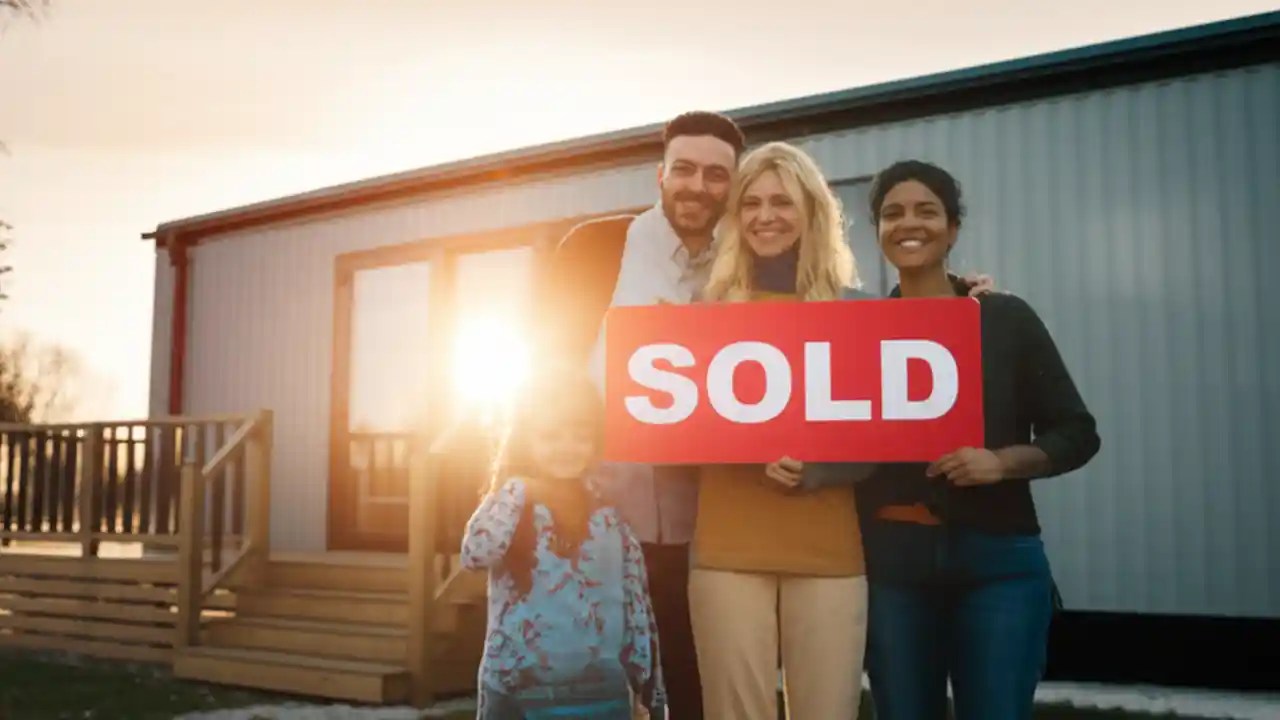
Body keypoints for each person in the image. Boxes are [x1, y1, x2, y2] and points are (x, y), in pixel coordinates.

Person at [852, 160, 1101, 720]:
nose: (908, 223)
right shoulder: (859, 330)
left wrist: (1002, 462)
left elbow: (1076, 432)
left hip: (998, 562)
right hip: (892, 566)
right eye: (892, 213)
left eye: (926, 211)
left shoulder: (1005, 318)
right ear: (878, 230)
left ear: (953, 228)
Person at [558, 109, 748, 720]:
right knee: (604, 689)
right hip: (606, 512)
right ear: (659, 175)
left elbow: (834, 315)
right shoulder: (597, 247)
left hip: (713, 518)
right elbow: (543, 371)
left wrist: (940, 292)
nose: (698, 186)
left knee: (697, 684)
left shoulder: (755, 259)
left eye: (716, 175)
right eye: (684, 169)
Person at [685, 140, 872, 720]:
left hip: (831, 550)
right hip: (726, 549)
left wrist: (820, 469)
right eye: (752, 203)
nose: (766, 216)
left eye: (783, 202)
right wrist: (748, 453)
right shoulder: (703, 314)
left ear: (812, 211)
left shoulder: (857, 312)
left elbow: (885, 438)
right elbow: (674, 431)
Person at [460, 369, 666, 720]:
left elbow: (635, 605)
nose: (566, 448)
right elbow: (475, 554)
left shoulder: (609, 513)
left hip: (600, 691)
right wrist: (518, 490)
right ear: (526, 438)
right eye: (550, 436)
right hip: (517, 691)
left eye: (579, 436)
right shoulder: (513, 505)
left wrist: (644, 684)